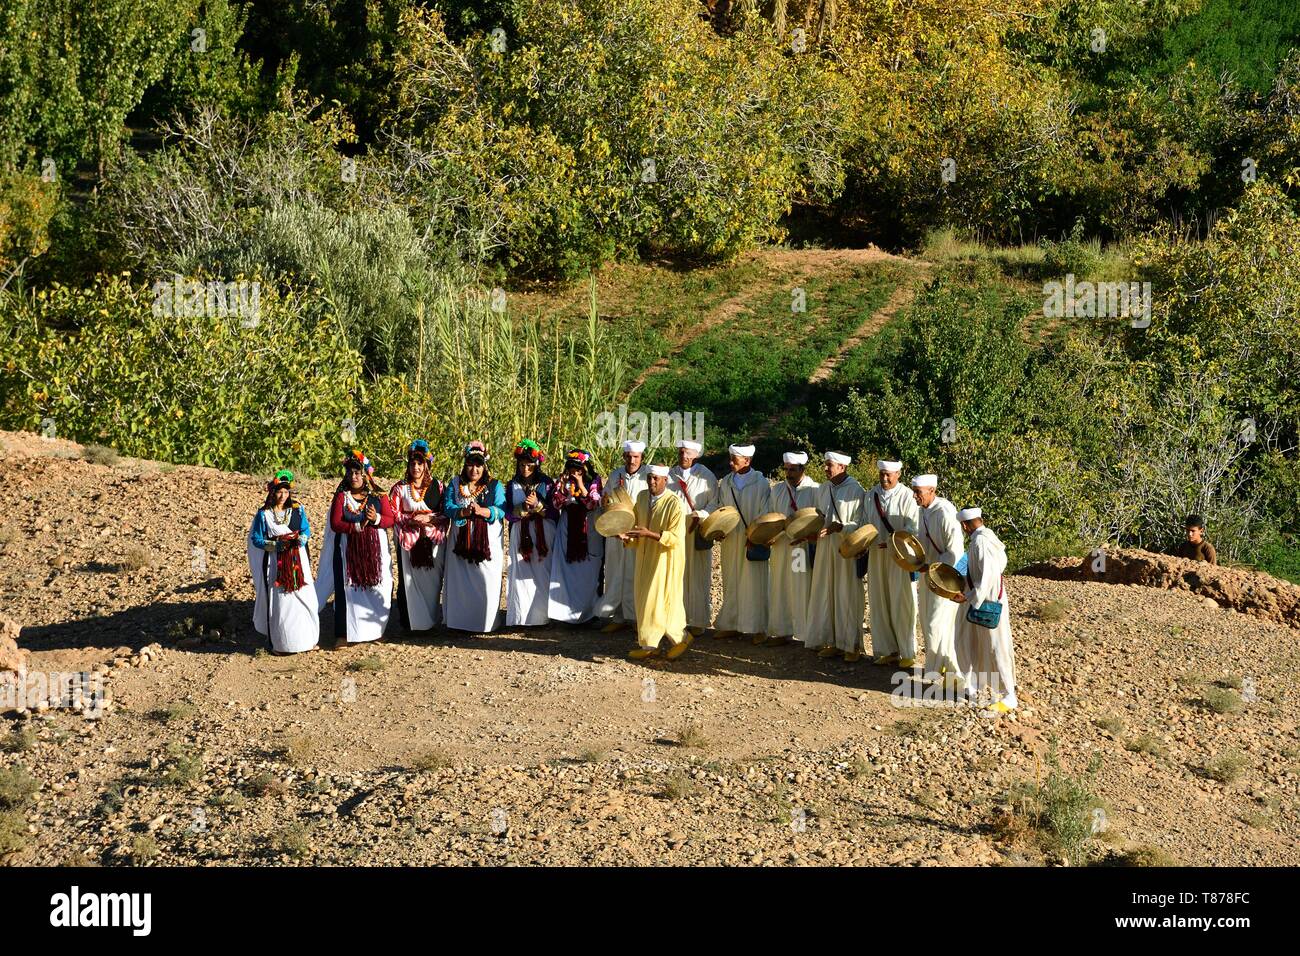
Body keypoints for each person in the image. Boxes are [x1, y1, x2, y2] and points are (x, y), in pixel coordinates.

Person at [315, 451, 395, 647]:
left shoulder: (379, 495)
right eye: (350, 473)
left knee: (379, 586)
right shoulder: (342, 496)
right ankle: (344, 634)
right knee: (348, 589)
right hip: (348, 550)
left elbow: (390, 520)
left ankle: (376, 632)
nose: (354, 476)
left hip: (376, 552)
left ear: (366, 474)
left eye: (357, 472)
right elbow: (335, 523)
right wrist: (356, 527)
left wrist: (375, 518)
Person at [623, 464, 692, 661]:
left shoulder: (675, 503)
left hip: (666, 559)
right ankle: (649, 644)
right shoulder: (642, 498)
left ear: (665, 480)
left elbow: (676, 537)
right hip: (645, 558)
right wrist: (627, 536)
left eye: (656, 479)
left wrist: (649, 534)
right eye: (649, 478)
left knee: (665, 601)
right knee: (644, 600)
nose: (652, 482)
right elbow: (636, 525)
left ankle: (682, 639)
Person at [953, 507, 1018, 713]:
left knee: (995, 647)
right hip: (980, 600)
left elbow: (989, 576)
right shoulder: (987, 538)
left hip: (987, 603)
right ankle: (974, 686)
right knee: (970, 642)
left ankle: (1009, 696)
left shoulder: (982, 541)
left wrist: (969, 597)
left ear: (965, 525)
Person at [247, 469, 319, 654]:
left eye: (286, 492)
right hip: (276, 563)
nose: (283, 495)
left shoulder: (297, 509)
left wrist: (302, 540)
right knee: (281, 601)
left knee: (304, 595)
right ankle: (281, 644)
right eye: (279, 491)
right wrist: (275, 545)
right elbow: (256, 539)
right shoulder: (264, 514)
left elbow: (305, 530)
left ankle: (306, 640)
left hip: (297, 559)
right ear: (272, 492)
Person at [806, 452, 867, 660]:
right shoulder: (823, 488)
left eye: (829, 465)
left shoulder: (856, 490)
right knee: (828, 592)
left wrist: (840, 527)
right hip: (825, 548)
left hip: (846, 549)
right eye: (825, 465)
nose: (825, 468)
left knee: (846, 594)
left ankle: (852, 645)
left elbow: (861, 523)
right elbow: (818, 516)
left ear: (842, 467)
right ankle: (832, 641)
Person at [442, 441, 506, 633]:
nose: (474, 469)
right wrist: (463, 511)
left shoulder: (495, 485)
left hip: (486, 543)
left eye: (478, 465)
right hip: (459, 541)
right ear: (465, 464)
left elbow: (501, 510)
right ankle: (459, 622)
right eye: (470, 464)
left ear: (484, 465)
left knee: (485, 580)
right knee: (459, 582)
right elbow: (447, 507)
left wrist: (482, 511)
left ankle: (484, 623)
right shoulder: (455, 484)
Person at [865, 459, 920, 668]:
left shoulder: (907, 495)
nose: (885, 478)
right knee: (879, 601)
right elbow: (865, 522)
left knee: (902, 602)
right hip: (876, 555)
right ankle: (886, 650)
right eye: (882, 474)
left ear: (898, 475)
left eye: (889, 474)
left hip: (899, 557)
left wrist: (891, 543)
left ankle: (907, 652)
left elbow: (912, 528)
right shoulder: (871, 495)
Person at [712, 443, 771, 641]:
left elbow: (765, 512)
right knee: (731, 581)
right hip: (730, 540)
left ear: (747, 461)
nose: (730, 462)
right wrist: (719, 529)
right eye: (730, 458)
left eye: (734, 459)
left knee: (755, 583)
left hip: (752, 541)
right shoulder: (726, 482)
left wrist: (756, 536)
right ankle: (731, 623)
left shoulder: (761, 483)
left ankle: (758, 627)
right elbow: (721, 509)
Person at [389, 439, 448, 633]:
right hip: (409, 543)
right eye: (412, 463)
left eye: (420, 463)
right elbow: (393, 513)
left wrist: (429, 518)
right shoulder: (399, 488)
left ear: (426, 465)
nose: (416, 467)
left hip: (434, 541)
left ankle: (429, 621)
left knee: (432, 582)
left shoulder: (438, 487)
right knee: (408, 582)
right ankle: (410, 623)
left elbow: (445, 512)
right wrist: (412, 520)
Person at [911, 474, 963, 683]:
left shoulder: (945, 512)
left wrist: (936, 569)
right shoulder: (922, 511)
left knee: (937, 623)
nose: (915, 496)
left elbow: (955, 551)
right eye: (914, 492)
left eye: (918, 493)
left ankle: (954, 671)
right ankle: (935, 667)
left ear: (932, 491)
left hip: (944, 576)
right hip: (927, 575)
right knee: (927, 620)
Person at [766, 451, 819, 646]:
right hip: (780, 547)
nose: (788, 473)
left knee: (800, 586)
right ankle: (781, 630)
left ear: (802, 469)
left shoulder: (814, 490)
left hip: (800, 549)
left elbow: (818, 519)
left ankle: (804, 633)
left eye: (792, 470)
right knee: (780, 586)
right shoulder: (778, 490)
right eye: (786, 469)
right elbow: (770, 515)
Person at [548, 449, 605, 624]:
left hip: (588, 529)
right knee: (568, 570)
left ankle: (589, 612)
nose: (575, 473)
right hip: (567, 528)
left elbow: (593, 503)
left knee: (589, 571)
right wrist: (566, 491)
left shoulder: (594, 482)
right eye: (572, 469)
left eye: (579, 469)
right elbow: (556, 502)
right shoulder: (562, 482)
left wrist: (581, 486)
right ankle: (567, 614)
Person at [596, 440, 648, 632]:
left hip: (637, 531)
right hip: (616, 531)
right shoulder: (615, 474)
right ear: (624, 456)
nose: (632, 460)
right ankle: (617, 617)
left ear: (642, 457)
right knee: (615, 571)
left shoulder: (648, 475)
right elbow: (606, 498)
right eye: (629, 456)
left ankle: (636, 618)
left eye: (636, 457)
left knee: (636, 573)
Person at [668, 439, 718, 636]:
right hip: (675, 532)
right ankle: (677, 618)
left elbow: (715, 502)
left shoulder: (707, 477)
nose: (684, 456)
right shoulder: (671, 474)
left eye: (687, 453)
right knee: (676, 575)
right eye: (681, 452)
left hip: (697, 531)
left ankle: (698, 620)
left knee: (698, 576)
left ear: (696, 455)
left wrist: (703, 515)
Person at [505, 440, 556, 627]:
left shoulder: (547, 483)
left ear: (537, 465)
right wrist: (524, 508)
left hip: (544, 531)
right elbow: (508, 513)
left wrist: (538, 505)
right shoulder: (512, 485)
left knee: (543, 572)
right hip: (521, 532)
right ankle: (521, 618)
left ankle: (542, 618)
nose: (526, 468)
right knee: (521, 572)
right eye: (522, 465)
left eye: (529, 465)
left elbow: (554, 510)